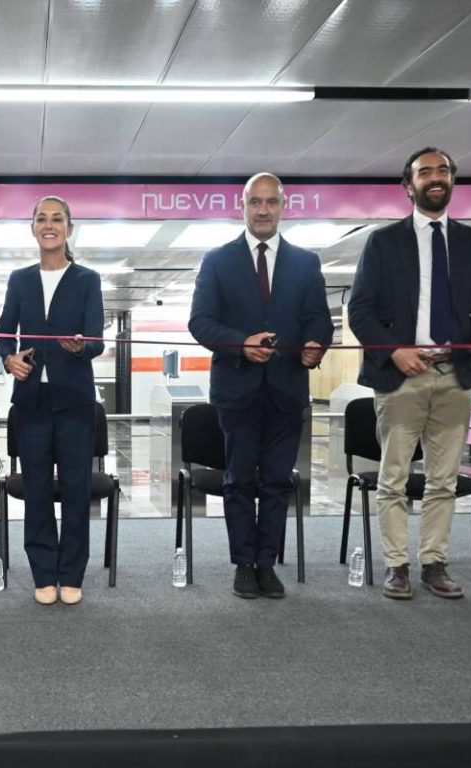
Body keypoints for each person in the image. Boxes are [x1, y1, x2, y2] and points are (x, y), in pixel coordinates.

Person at [348, 147, 471, 600]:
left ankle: (434, 563)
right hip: (401, 378)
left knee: (443, 480)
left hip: (454, 375)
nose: (435, 178)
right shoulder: (383, 242)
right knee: (393, 477)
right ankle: (396, 565)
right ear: (408, 185)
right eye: (425, 172)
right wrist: (394, 351)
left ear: (452, 180)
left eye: (443, 171)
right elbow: (360, 310)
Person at [188, 173, 333, 599]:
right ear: (243, 206)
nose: (264, 210)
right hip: (237, 391)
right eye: (256, 202)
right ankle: (243, 564)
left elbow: (319, 319)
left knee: (276, 482)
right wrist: (240, 344)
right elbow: (200, 322)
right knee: (238, 481)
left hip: (287, 389)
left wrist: (316, 344)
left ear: (283, 206)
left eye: (271, 202)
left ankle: (267, 563)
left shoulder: (306, 263)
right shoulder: (218, 260)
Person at [0, 195, 104, 606]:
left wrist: (81, 347)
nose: (49, 225)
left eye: (57, 219)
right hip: (31, 401)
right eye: (42, 219)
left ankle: (71, 573)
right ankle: (43, 572)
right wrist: (9, 358)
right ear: (33, 228)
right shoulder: (19, 279)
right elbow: (4, 331)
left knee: (76, 489)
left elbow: (96, 339)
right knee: (37, 489)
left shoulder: (87, 280)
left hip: (75, 399)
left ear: (69, 228)